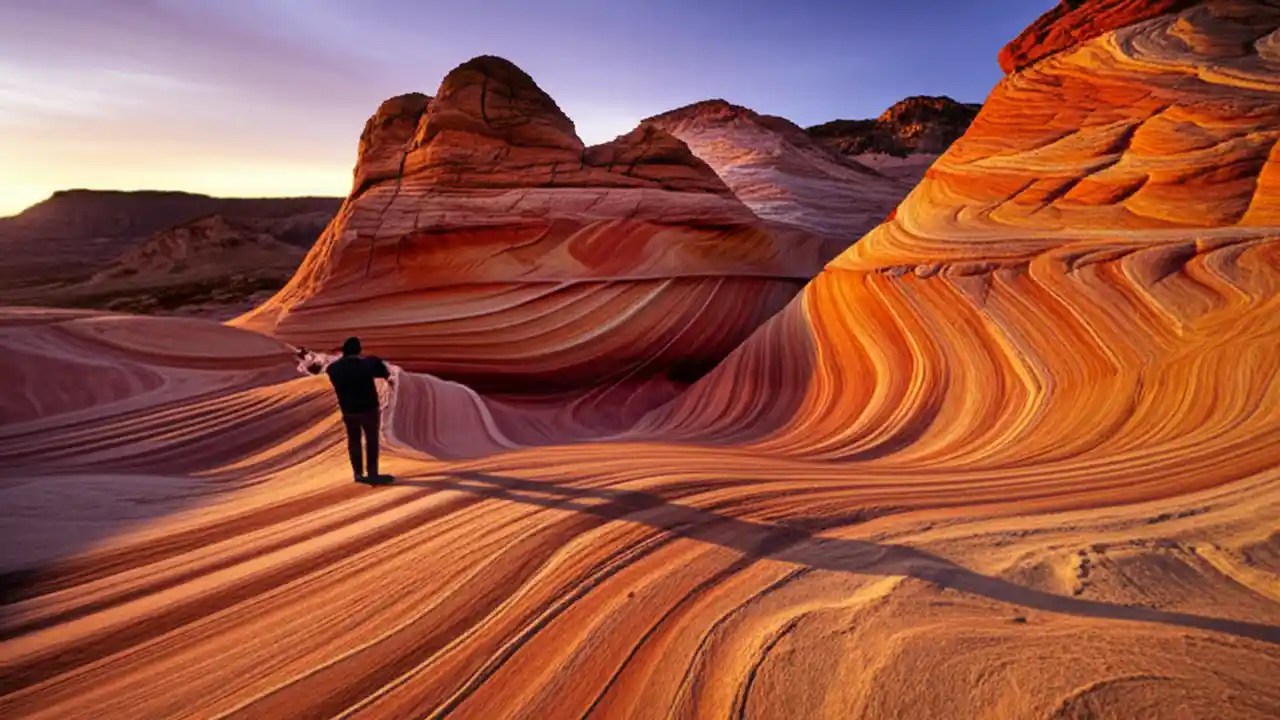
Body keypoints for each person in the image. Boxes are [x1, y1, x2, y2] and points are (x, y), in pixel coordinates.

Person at [307, 337, 393, 483]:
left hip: (349, 410)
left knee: (354, 440)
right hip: (368, 408)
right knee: (371, 440)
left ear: (344, 351)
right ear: (358, 350)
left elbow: (326, 371)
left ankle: (358, 474)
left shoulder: (334, 368)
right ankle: (372, 474)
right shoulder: (366, 364)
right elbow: (382, 371)